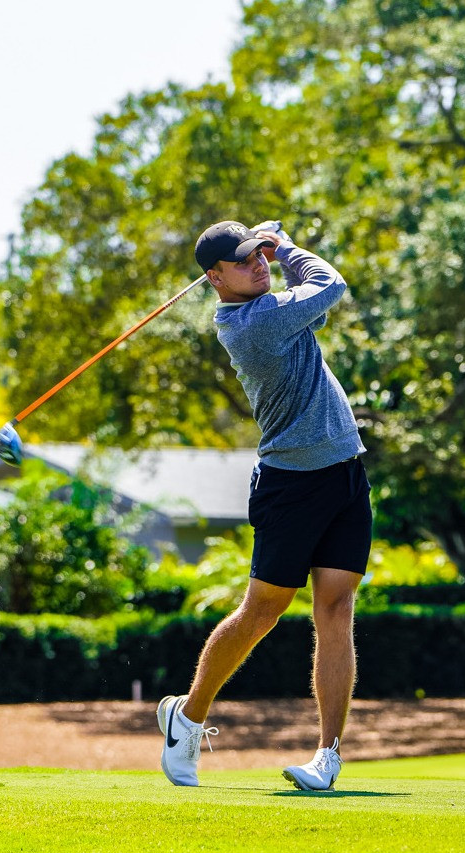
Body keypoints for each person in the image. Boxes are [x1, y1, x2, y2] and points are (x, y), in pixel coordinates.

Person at [158, 220, 370, 791]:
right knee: (263, 613)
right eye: (245, 260)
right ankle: (189, 716)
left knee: (336, 608)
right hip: (291, 483)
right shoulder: (252, 325)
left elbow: (316, 296)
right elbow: (331, 285)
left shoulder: (272, 305)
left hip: (345, 471)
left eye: (260, 255)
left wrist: (274, 251)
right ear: (215, 278)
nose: (259, 264)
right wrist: (288, 246)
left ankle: (327, 754)